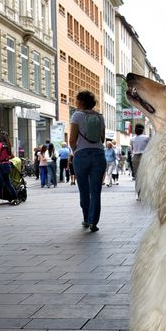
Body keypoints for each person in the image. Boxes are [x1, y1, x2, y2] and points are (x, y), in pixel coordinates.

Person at [69, 90, 106, 232]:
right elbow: (102, 138)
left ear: (81, 102)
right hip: (99, 154)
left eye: (77, 100)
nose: (76, 102)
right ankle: (93, 222)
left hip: (82, 155)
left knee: (83, 189)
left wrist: (76, 150)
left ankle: (86, 218)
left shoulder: (77, 115)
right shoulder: (100, 117)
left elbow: (72, 139)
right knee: (96, 191)